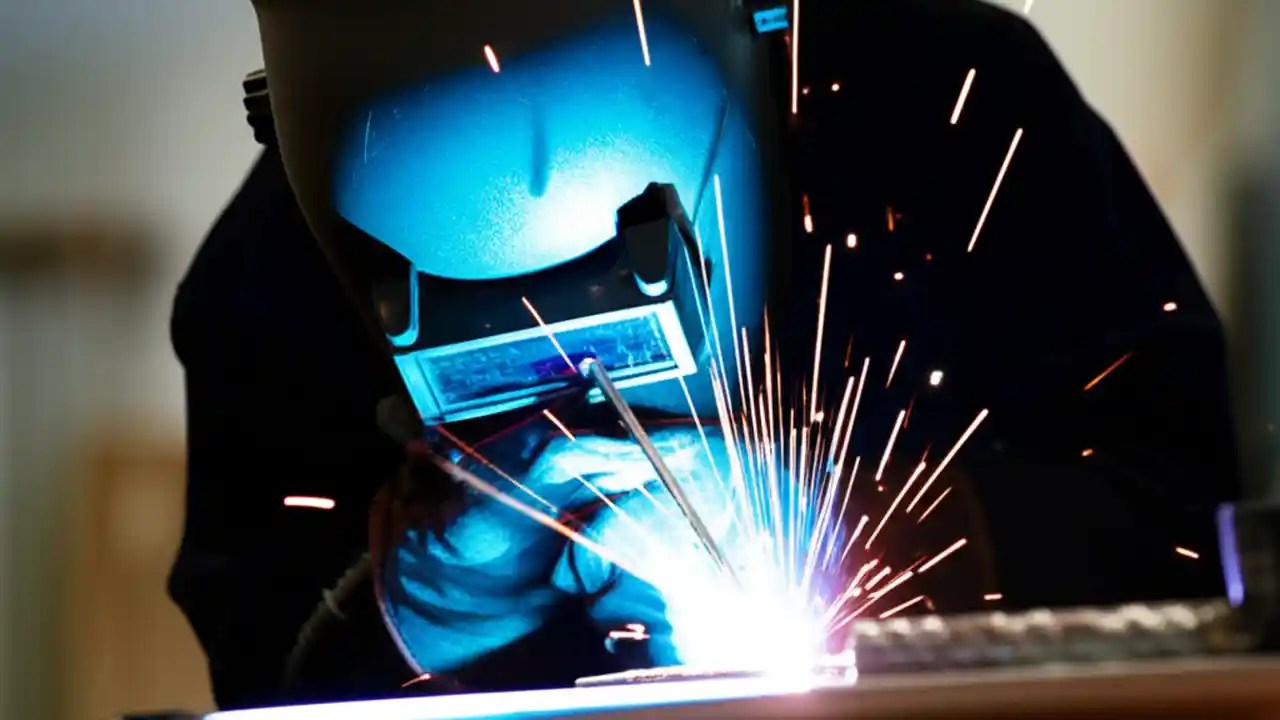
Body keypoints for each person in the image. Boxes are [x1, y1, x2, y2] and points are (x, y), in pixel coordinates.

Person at [169, 0, 1239, 710]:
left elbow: (1191, 529)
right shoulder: (277, 265)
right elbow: (259, 668)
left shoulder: (948, 100)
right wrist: (409, 616)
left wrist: (889, 539)